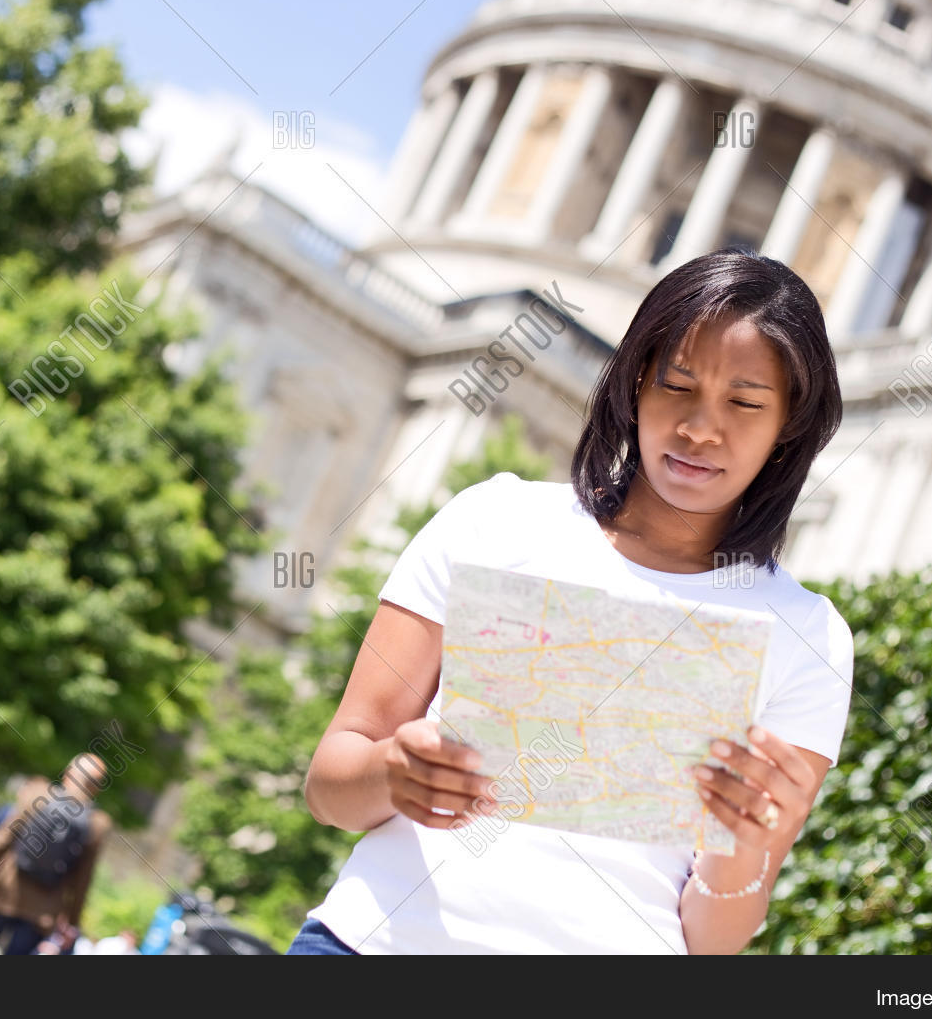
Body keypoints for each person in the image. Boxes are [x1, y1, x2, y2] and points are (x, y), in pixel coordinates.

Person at [294, 249, 855, 955]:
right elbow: (329, 786)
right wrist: (394, 774)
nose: (701, 429)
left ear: (790, 429)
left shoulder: (807, 635)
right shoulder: (492, 522)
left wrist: (745, 846)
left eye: (744, 403)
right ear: (635, 385)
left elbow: (712, 942)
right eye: (677, 385)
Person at [0, 754, 111, 955]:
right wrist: (71, 921)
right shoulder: (97, 824)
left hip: (4, 893)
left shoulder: (38, 794)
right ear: (96, 787)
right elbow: (82, 879)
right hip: (43, 911)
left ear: (68, 774)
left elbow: (1, 841)